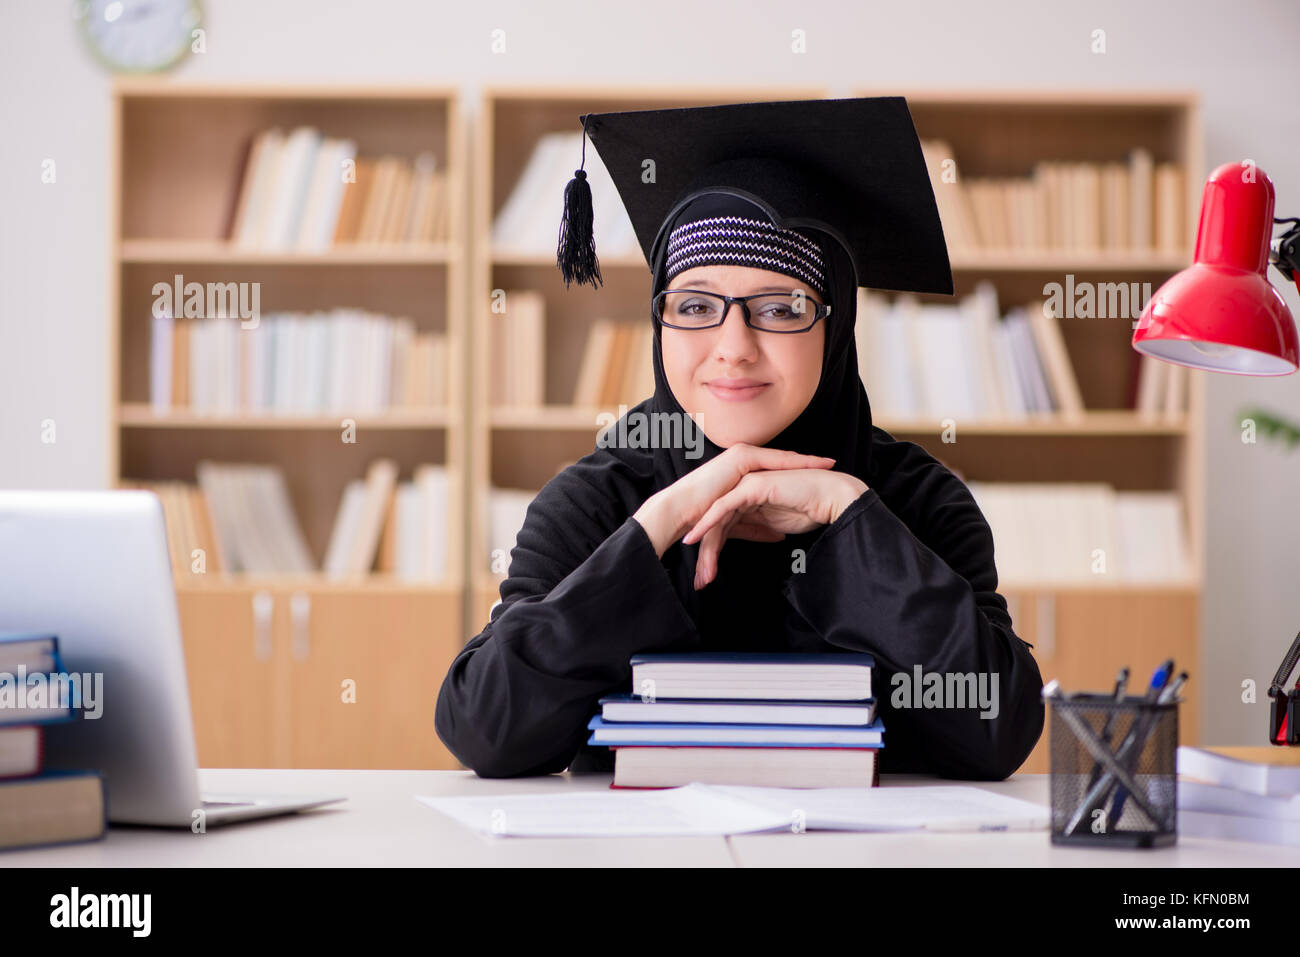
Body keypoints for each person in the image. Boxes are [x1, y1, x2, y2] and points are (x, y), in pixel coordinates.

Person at [436, 97, 1045, 780]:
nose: (733, 348)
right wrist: (657, 527)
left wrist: (852, 522)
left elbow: (1000, 727)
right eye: (695, 305)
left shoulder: (918, 502)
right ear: (659, 321)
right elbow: (485, 727)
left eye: (780, 308)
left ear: (835, 327)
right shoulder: (594, 503)